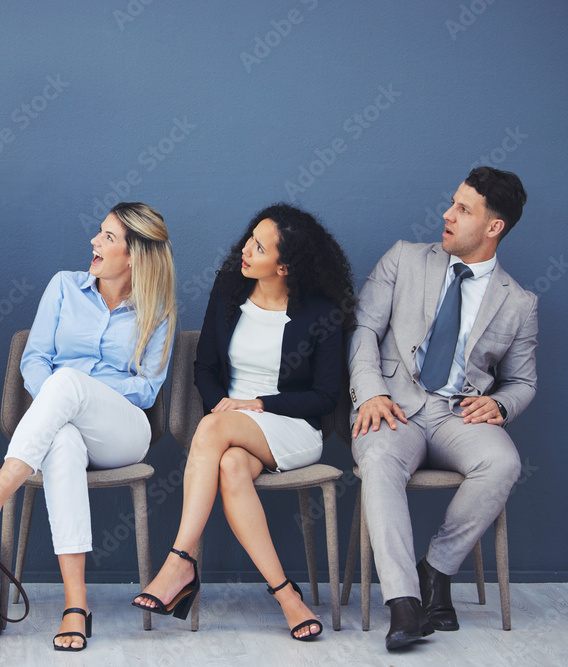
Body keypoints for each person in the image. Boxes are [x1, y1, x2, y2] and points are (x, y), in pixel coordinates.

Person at [0, 202, 177, 651]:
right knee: (61, 440)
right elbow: (34, 359)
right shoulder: (64, 287)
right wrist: (64, 402)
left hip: (123, 432)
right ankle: (75, 605)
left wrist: (80, 390)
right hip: (63, 423)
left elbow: (146, 389)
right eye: (98, 233)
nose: (94, 242)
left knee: (67, 383)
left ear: (135, 256)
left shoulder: (157, 308)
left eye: (107, 237)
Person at [133, 204, 355, 641]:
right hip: (233, 425)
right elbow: (204, 368)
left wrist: (255, 404)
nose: (245, 251)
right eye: (250, 238)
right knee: (231, 465)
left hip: (293, 428)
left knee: (214, 431)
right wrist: (225, 407)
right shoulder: (230, 289)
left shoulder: (321, 312)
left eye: (259, 246)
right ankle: (287, 595)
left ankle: (180, 561)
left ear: (285, 265)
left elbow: (327, 396)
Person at [348, 166, 537, 651]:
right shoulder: (404, 258)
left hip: (458, 415)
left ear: (493, 227)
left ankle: (435, 569)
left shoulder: (518, 303)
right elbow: (363, 329)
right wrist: (370, 391)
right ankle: (405, 603)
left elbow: (522, 382)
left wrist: (498, 404)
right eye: (453, 203)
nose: (447, 215)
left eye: (463, 210)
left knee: (503, 463)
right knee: (378, 461)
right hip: (393, 406)